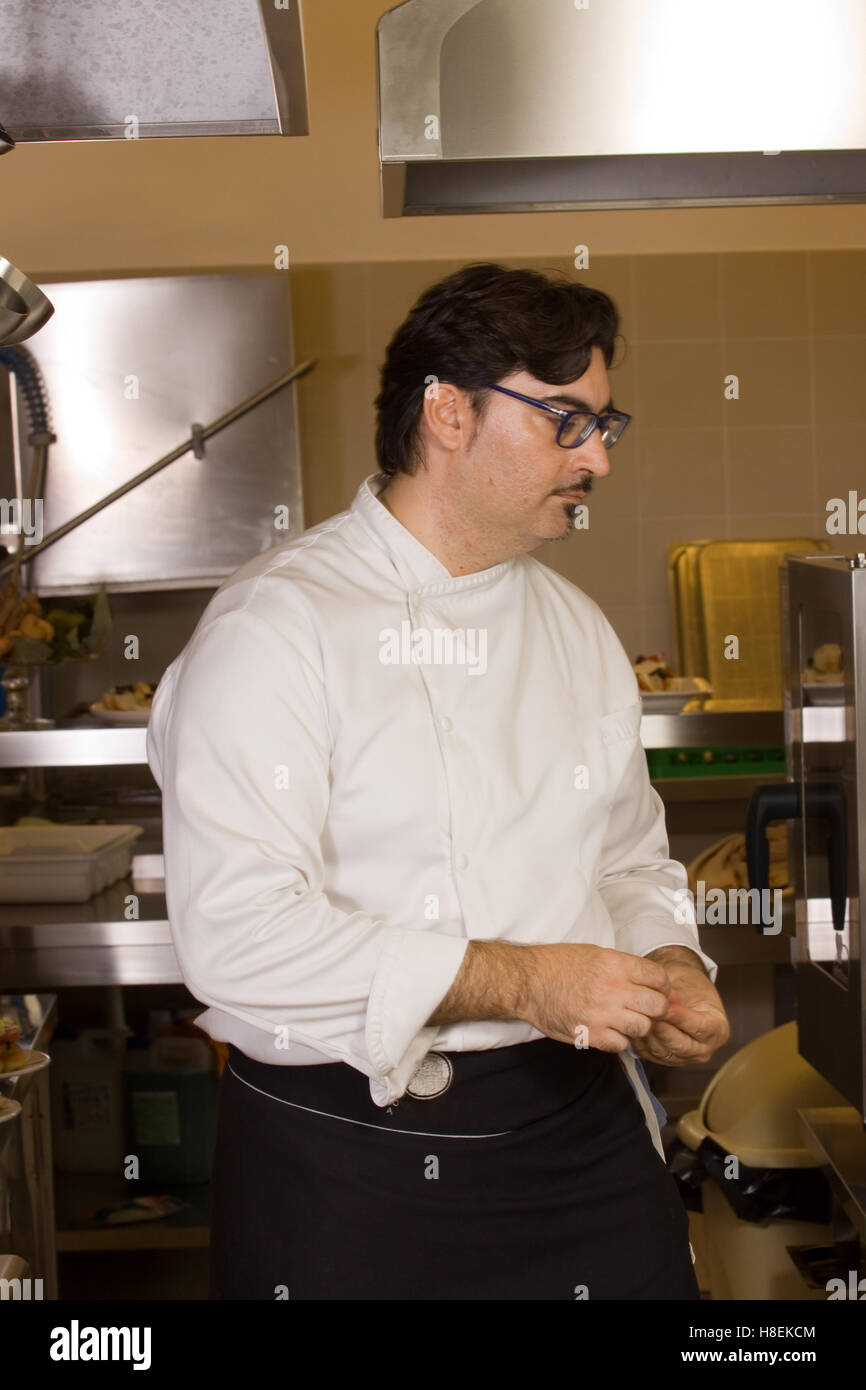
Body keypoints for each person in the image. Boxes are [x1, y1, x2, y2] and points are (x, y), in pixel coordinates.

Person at [146, 262, 730, 1301]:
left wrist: (664, 955)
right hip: (349, 1152)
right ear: (449, 413)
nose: (595, 455)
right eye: (564, 419)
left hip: (574, 1130)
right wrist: (522, 979)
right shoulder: (279, 627)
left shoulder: (572, 626)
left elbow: (626, 853)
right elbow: (236, 936)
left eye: (604, 423)